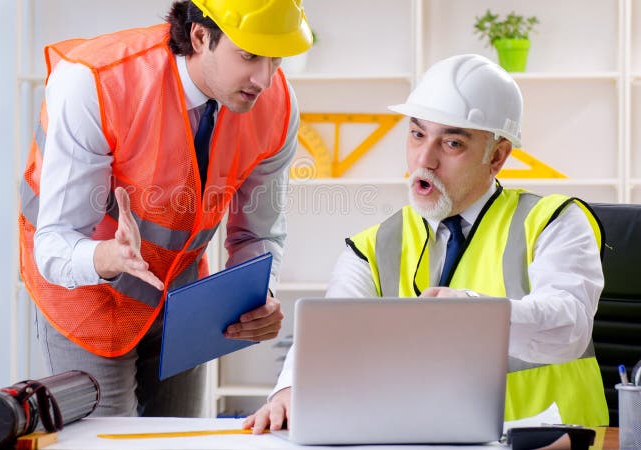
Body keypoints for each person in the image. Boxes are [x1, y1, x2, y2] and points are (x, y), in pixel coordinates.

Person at [17, 0, 313, 417]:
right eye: (249, 55)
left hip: (179, 299)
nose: (265, 78)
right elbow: (53, 245)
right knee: (105, 443)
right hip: (88, 288)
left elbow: (259, 234)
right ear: (200, 36)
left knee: (180, 439)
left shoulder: (277, 104)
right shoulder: (94, 85)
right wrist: (111, 256)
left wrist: (259, 294)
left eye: (276, 57)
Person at [244, 54, 609, 432]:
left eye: (451, 143)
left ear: (497, 156)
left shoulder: (553, 222)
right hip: (423, 439)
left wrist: (475, 315)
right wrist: (291, 387)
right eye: (417, 134)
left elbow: (569, 327)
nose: (424, 159)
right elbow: (331, 331)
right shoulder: (372, 248)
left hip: (550, 441)